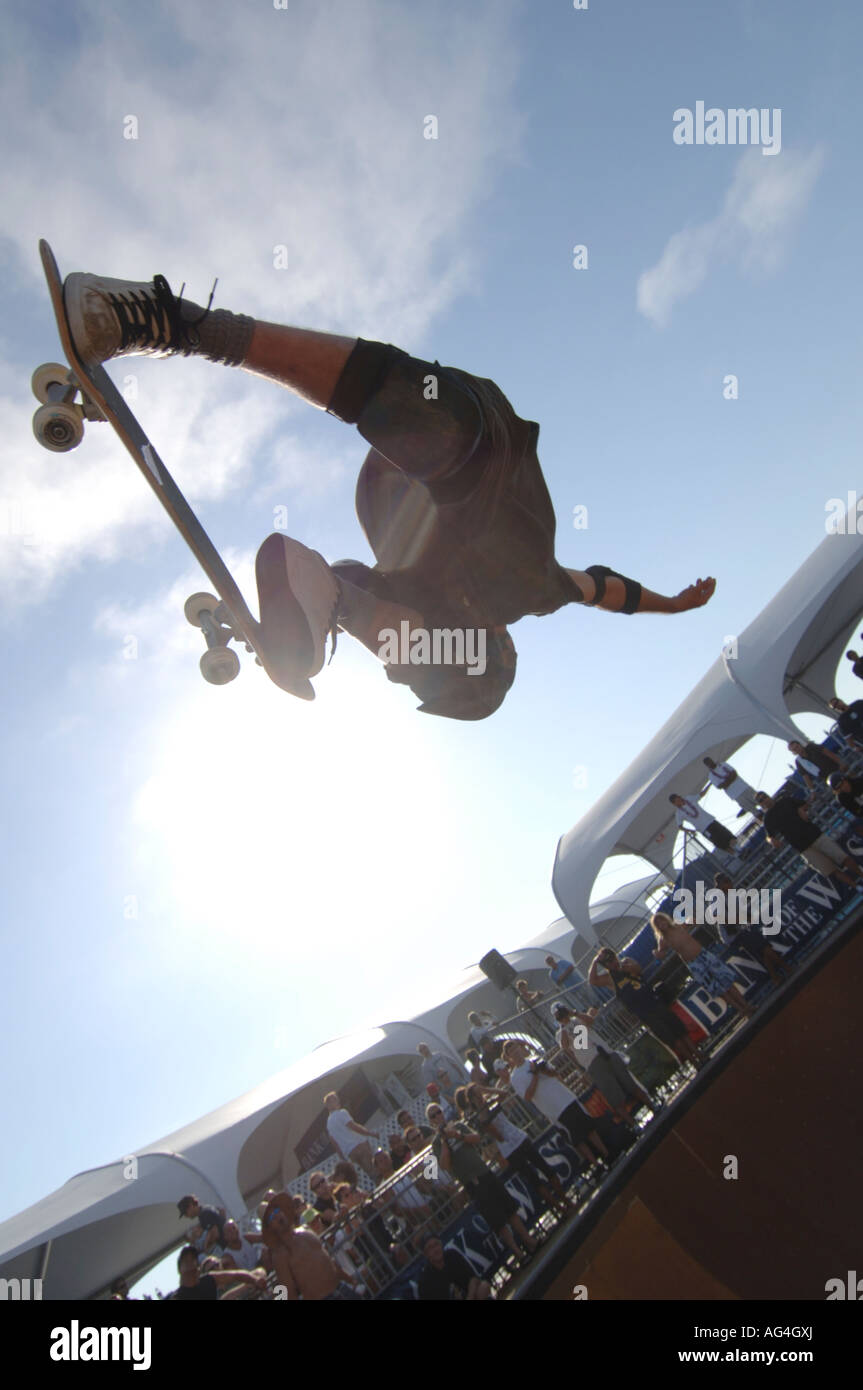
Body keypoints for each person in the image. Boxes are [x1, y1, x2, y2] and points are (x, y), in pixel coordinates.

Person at [62, 265, 717, 719]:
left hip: (399, 486)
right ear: (501, 641)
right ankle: (180, 325)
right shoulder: (531, 590)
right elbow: (607, 591)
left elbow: (602, 595)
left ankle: (326, 597)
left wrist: (323, 609)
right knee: (488, 577)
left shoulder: (426, 606)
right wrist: (673, 606)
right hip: (449, 452)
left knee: (393, 611)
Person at [427, 1103, 537, 1262]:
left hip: (484, 1172)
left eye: (439, 1112)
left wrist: (456, 1135)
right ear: (432, 1121)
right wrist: (445, 1140)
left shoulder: (457, 1126)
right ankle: (518, 1253)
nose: (438, 1116)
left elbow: (476, 1138)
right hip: (471, 1182)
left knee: (509, 1208)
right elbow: (444, 1165)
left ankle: (528, 1240)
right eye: (434, 1115)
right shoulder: (436, 1143)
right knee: (497, 1220)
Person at [456, 1082, 571, 1217]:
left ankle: (566, 1200)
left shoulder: (491, 1101)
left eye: (479, 1093)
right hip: (509, 1148)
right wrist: (482, 1106)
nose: (479, 1096)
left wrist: (486, 1089)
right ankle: (559, 1208)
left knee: (545, 1167)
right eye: (476, 1095)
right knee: (533, 1179)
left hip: (519, 1138)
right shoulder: (479, 1116)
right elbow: (494, 1132)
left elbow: (504, 1093)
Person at [501, 1040, 611, 1172]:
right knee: (577, 1138)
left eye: (516, 1048)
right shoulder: (515, 1077)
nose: (516, 1052)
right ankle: (596, 1165)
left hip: (565, 1098)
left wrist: (543, 1069)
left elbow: (554, 1073)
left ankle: (607, 1154)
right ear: (509, 1057)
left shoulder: (534, 1059)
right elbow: (527, 1096)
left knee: (589, 1128)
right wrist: (535, 1075)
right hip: (554, 1109)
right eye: (512, 1051)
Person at [588, 947, 702, 1068]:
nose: (613, 962)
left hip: (653, 1001)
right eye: (608, 962)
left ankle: (699, 1054)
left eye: (612, 958)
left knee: (679, 1029)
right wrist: (595, 960)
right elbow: (592, 981)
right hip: (644, 1012)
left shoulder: (626, 962)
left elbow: (638, 969)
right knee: (672, 1038)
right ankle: (694, 1062)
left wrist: (625, 968)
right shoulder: (609, 978)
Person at [553, 1003, 656, 1127]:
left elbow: (591, 1020)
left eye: (563, 1012)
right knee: (614, 1096)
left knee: (630, 1083)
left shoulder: (578, 1019)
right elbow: (564, 1046)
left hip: (606, 1053)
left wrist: (573, 1013)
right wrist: (563, 1025)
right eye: (560, 1015)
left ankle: (653, 1107)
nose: (564, 1015)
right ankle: (634, 1125)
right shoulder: (560, 1033)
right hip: (592, 1062)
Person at [650, 913, 754, 1019]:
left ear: (666, 919)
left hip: (704, 955)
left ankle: (746, 1005)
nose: (661, 924)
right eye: (658, 924)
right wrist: (657, 954)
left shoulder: (678, 925)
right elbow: (661, 954)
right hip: (694, 964)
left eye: (661, 920)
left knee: (727, 981)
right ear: (657, 927)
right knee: (718, 989)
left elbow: (692, 921)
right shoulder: (663, 940)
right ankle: (741, 1010)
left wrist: (692, 920)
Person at [260, 1192, 363, 1299]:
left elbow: (328, 1260)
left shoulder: (306, 1231)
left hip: (341, 1288)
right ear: (270, 1227)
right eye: (271, 1217)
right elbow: (288, 1291)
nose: (277, 1216)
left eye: (277, 1211)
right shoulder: (280, 1255)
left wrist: (350, 1281)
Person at [756, 790, 863, 886]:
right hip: (804, 848)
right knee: (831, 870)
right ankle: (857, 887)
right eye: (761, 800)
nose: (764, 800)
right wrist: (772, 840)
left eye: (764, 796)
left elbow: (805, 804)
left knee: (843, 858)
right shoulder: (768, 818)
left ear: (768, 795)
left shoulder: (785, 801)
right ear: (760, 805)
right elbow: (769, 836)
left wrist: (801, 809)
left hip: (815, 835)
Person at [712, 873, 790, 986]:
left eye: (729, 880)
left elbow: (743, 913)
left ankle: (776, 977)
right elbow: (720, 918)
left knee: (763, 949)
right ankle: (786, 969)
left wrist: (750, 919)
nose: (731, 883)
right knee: (765, 947)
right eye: (727, 881)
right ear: (721, 885)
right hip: (733, 935)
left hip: (742, 929)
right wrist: (740, 919)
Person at [169, 1245, 266, 1301]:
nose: (190, 1263)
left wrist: (255, 1280)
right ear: (180, 1270)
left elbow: (237, 1275)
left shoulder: (208, 1280)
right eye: (186, 1260)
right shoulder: (178, 1297)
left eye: (193, 1259)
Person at [417, 1236, 492, 1301]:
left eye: (436, 1244)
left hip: (469, 1297)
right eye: (430, 1248)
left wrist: (470, 1298)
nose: (435, 1250)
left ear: (441, 1244)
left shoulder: (452, 1254)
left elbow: (473, 1279)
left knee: (484, 1286)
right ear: (426, 1254)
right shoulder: (425, 1281)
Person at [323, 1091, 378, 1178]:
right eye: (335, 1099)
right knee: (376, 1169)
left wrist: (342, 1157)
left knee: (369, 1172)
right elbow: (354, 1127)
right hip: (359, 1145)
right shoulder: (341, 1113)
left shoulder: (329, 1123)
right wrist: (371, 1133)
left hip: (350, 1152)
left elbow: (334, 1142)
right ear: (329, 1104)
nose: (338, 1101)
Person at [669, 794, 737, 853]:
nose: (679, 801)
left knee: (727, 835)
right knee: (721, 843)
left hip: (711, 821)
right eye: (676, 802)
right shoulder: (678, 813)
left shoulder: (689, 798)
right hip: (704, 829)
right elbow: (680, 826)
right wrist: (690, 830)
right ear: (674, 804)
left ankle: (739, 848)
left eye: (679, 799)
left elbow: (700, 795)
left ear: (680, 797)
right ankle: (737, 855)